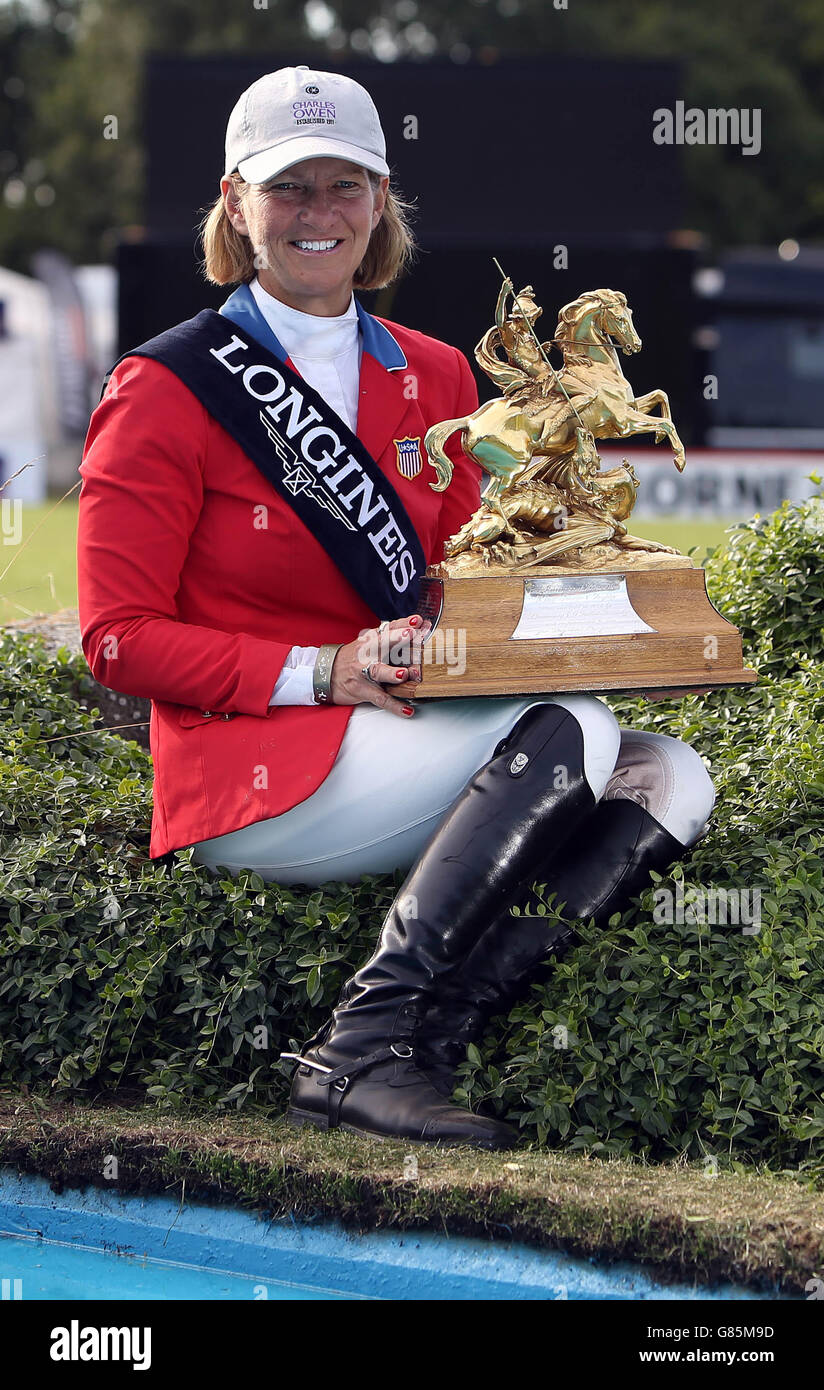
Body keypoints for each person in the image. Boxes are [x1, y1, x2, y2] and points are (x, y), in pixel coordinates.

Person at [77, 64, 715, 1152]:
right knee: (584, 732)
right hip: (255, 765)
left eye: (343, 185)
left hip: (402, 730)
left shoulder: (432, 373)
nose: (317, 213)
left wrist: (597, 607)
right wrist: (321, 669)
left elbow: (459, 573)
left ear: (379, 202)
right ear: (236, 204)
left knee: (675, 774)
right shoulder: (166, 387)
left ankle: (429, 1033)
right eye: (289, 189)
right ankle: (355, 1052)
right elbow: (114, 638)